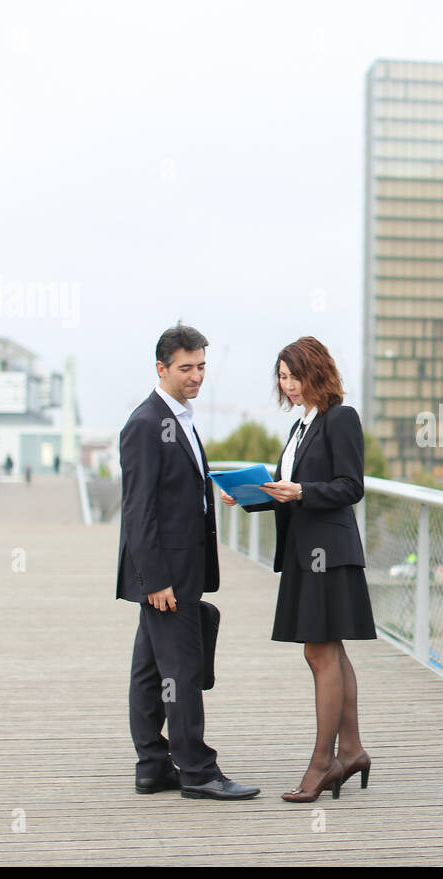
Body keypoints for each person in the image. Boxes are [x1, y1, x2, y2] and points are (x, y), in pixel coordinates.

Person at [219, 336, 376, 803]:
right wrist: (251, 496)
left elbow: (350, 486)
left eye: (294, 375)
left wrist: (304, 491)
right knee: (330, 651)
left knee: (320, 653)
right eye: (282, 377)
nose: (287, 385)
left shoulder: (340, 419)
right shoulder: (300, 427)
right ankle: (351, 750)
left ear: (317, 372)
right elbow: (290, 488)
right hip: (306, 553)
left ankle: (324, 761)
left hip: (329, 552)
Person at [117, 324, 259, 800]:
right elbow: (138, 510)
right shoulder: (145, 422)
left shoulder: (179, 416)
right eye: (186, 368)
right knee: (181, 670)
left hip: (177, 569)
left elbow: (172, 488)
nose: (196, 375)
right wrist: (156, 580)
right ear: (161, 369)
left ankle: (153, 767)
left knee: (150, 670)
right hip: (167, 575)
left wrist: (209, 489)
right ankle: (197, 771)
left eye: (201, 366)